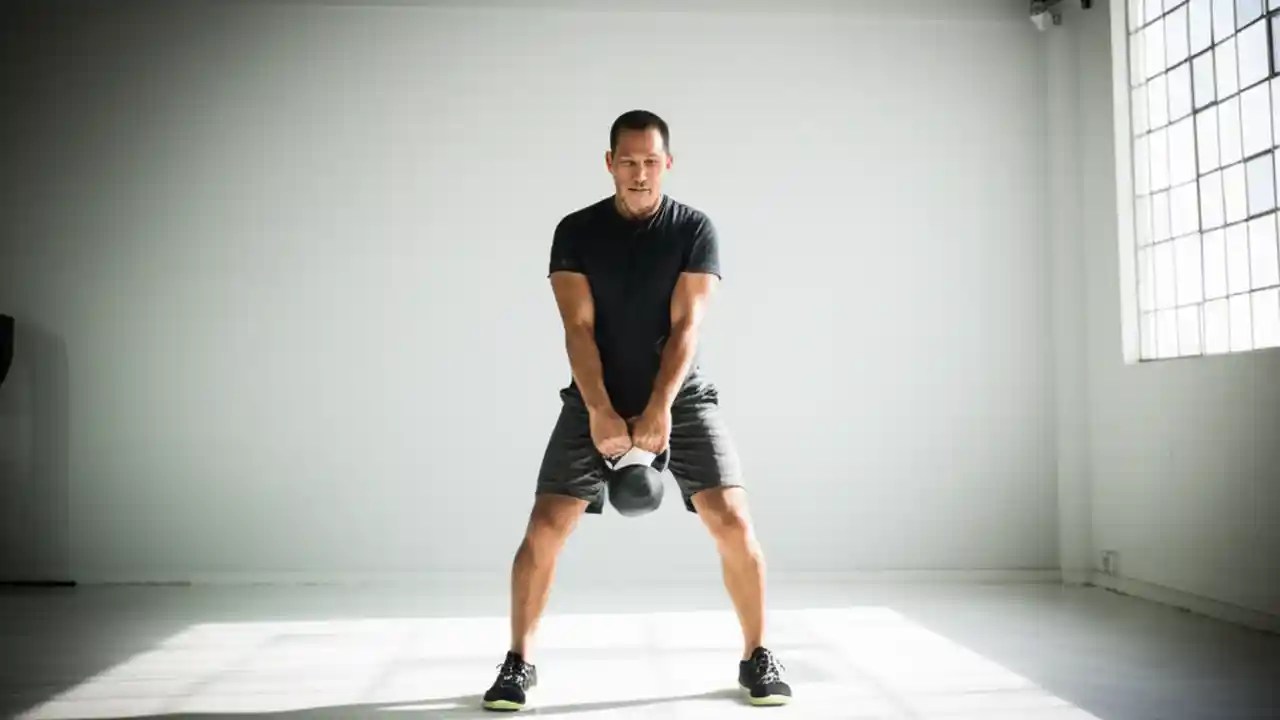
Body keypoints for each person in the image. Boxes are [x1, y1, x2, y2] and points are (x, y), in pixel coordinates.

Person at [481, 110, 792, 711]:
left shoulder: (694, 229)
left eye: (651, 162)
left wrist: (659, 408)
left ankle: (759, 655)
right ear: (609, 163)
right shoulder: (575, 230)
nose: (640, 173)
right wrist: (599, 408)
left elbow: (688, 325)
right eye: (628, 161)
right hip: (592, 392)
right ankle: (519, 662)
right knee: (545, 527)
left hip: (682, 394)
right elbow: (577, 326)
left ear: (667, 164)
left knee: (731, 518)